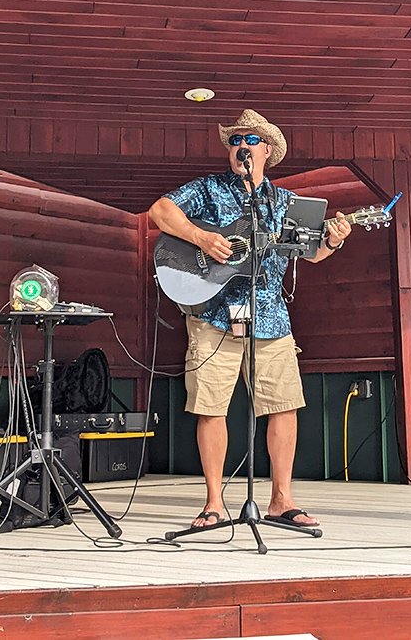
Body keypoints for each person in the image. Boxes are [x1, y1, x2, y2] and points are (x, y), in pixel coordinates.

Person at [148, 109, 351, 529]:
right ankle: (213, 503)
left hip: (271, 318)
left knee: (283, 407)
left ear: (268, 150)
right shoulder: (208, 189)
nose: (241, 145)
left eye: (251, 139)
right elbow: (160, 211)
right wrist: (201, 237)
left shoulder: (286, 202)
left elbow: (310, 254)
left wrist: (333, 240)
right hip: (213, 316)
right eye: (235, 139)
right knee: (210, 408)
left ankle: (281, 500)